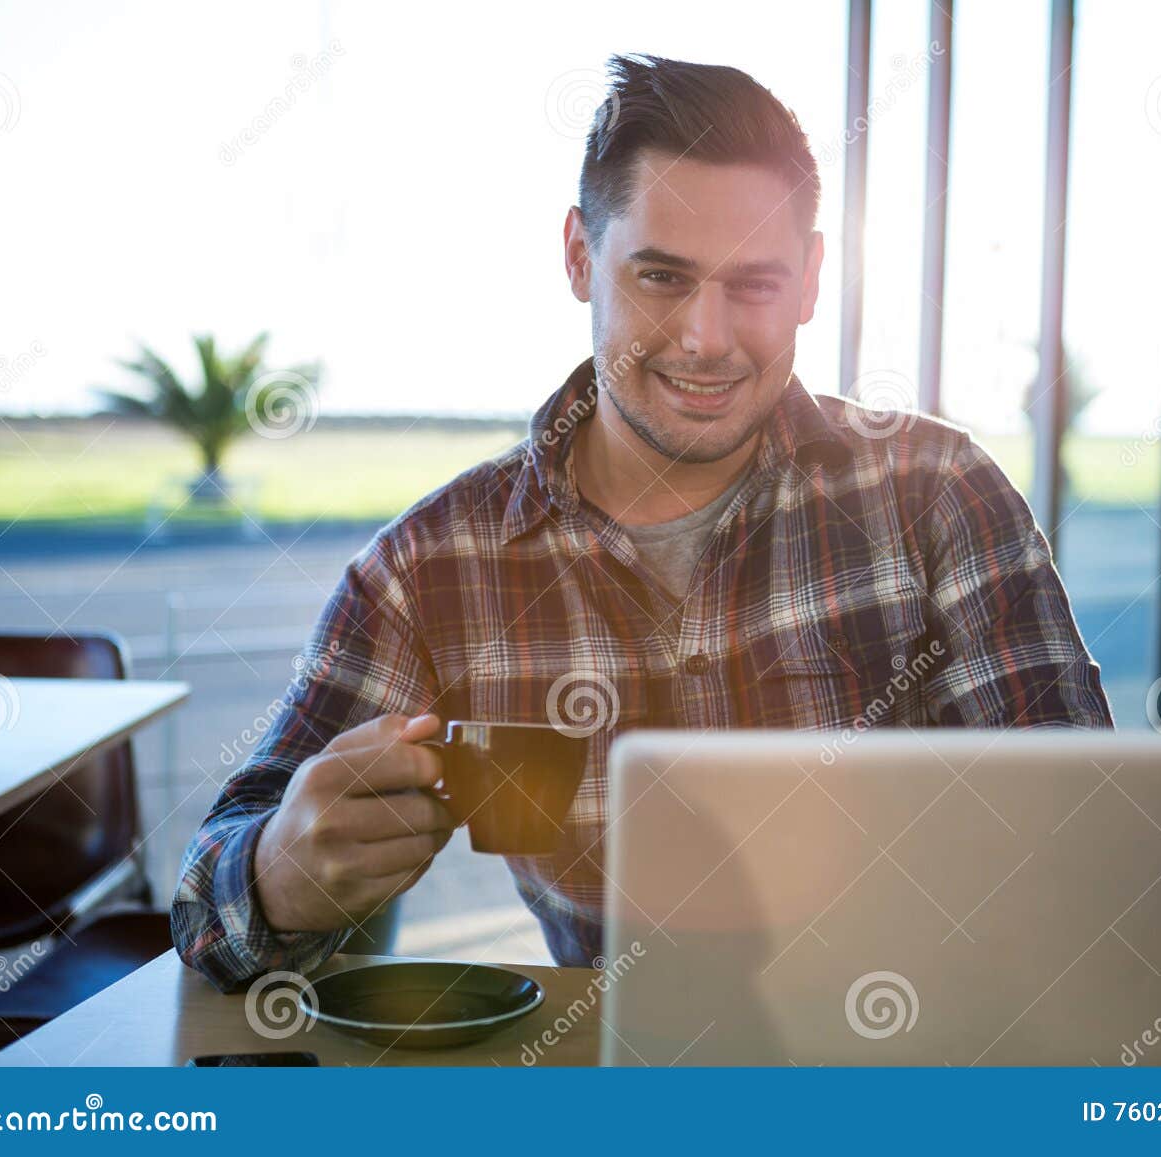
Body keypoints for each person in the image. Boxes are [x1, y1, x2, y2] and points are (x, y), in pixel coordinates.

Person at [172, 53, 1112, 992]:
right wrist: (276, 874)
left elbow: (1089, 842)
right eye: (662, 277)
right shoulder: (433, 565)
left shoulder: (940, 494)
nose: (708, 338)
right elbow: (203, 907)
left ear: (815, 278)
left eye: (756, 285)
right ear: (580, 256)